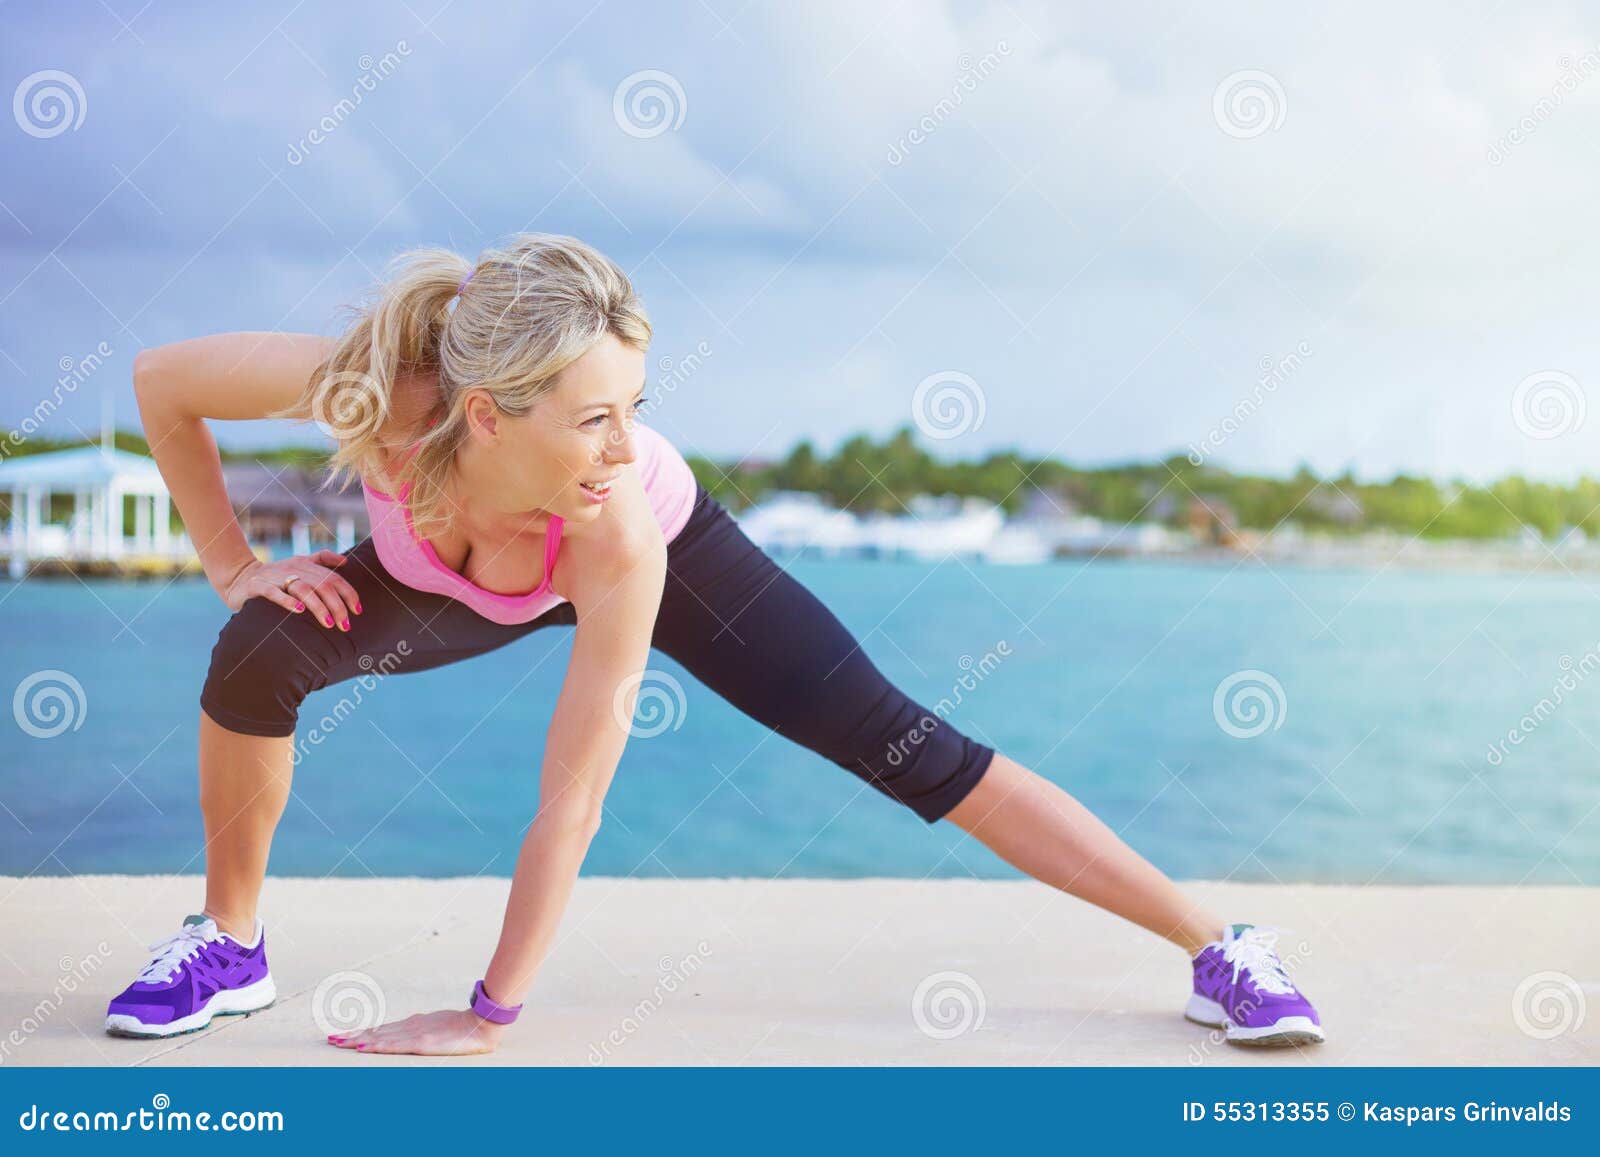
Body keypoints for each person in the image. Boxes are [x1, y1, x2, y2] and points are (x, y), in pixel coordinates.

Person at [106, 233, 1323, 1053]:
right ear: (485, 414)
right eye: (594, 416)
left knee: (907, 745)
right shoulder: (375, 393)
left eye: (633, 409)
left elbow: (573, 798)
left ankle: (1219, 947)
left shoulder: (622, 522)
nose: (623, 442)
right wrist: (233, 565)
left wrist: (490, 1009)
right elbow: (165, 382)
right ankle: (231, 943)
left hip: (649, 558)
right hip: (454, 565)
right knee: (260, 648)